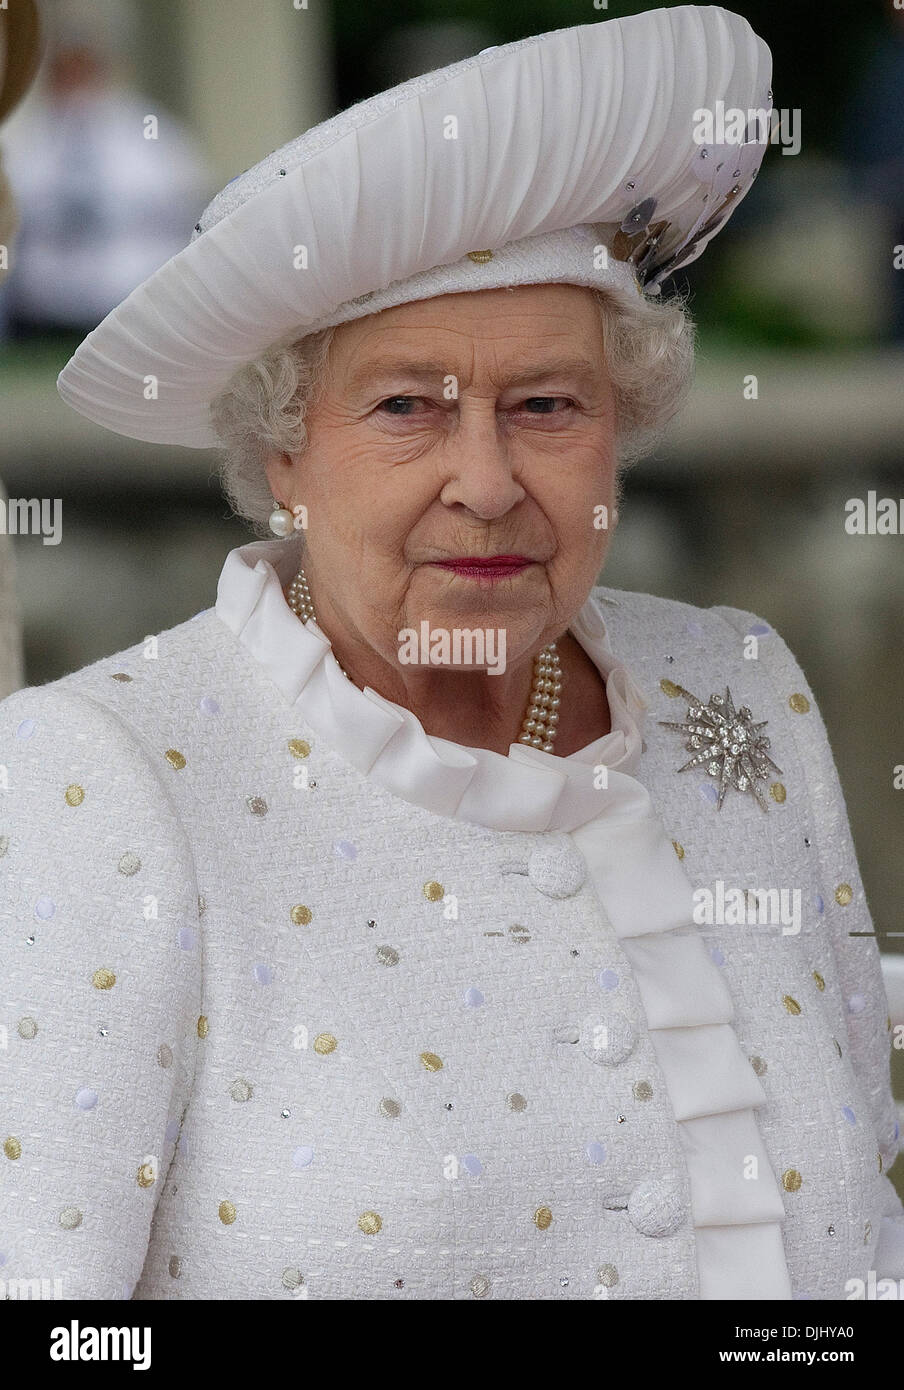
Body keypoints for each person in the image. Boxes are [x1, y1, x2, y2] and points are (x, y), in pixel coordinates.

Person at [1, 6, 901, 1301]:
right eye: (406, 407)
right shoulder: (103, 774)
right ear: (285, 451)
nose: (485, 482)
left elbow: (867, 1210)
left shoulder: (738, 682)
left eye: (546, 404)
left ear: (620, 426)